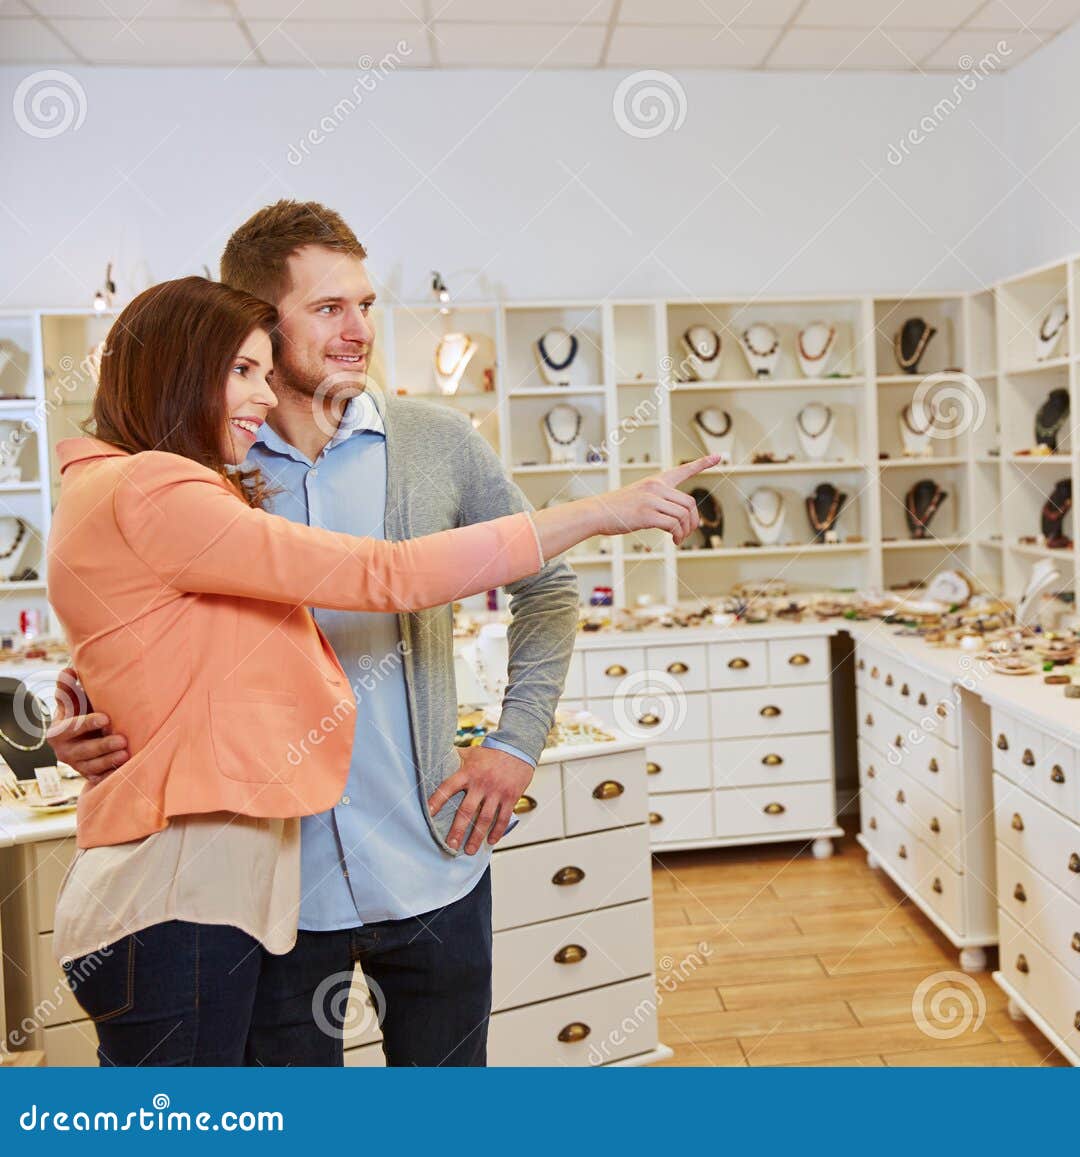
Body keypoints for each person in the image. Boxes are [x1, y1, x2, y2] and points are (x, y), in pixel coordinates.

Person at [47, 274, 716, 1066]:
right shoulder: (169, 481)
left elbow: (174, 635)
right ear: (182, 364)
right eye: (326, 309)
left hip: (387, 869)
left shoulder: (112, 482)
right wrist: (604, 510)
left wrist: (516, 740)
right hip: (216, 898)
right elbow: (388, 575)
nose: (358, 327)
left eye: (365, 304)